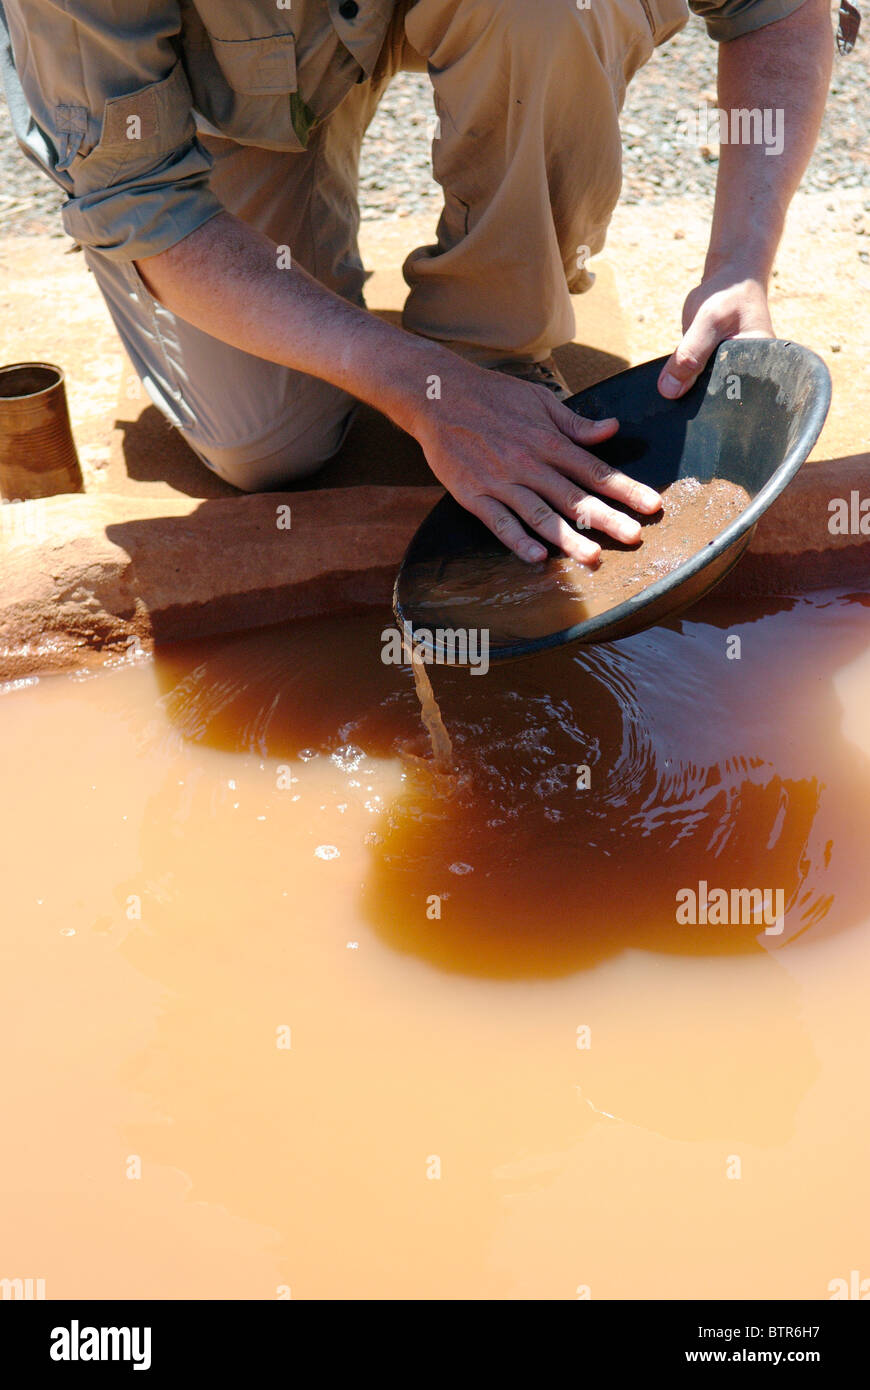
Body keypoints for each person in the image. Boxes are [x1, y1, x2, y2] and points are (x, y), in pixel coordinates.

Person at [0, 0, 832, 564]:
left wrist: (739, 262)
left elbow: (779, 10)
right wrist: (418, 393)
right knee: (266, 449)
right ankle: (448, 395)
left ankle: (495, 356)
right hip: (218, 91)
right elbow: (142, 196)